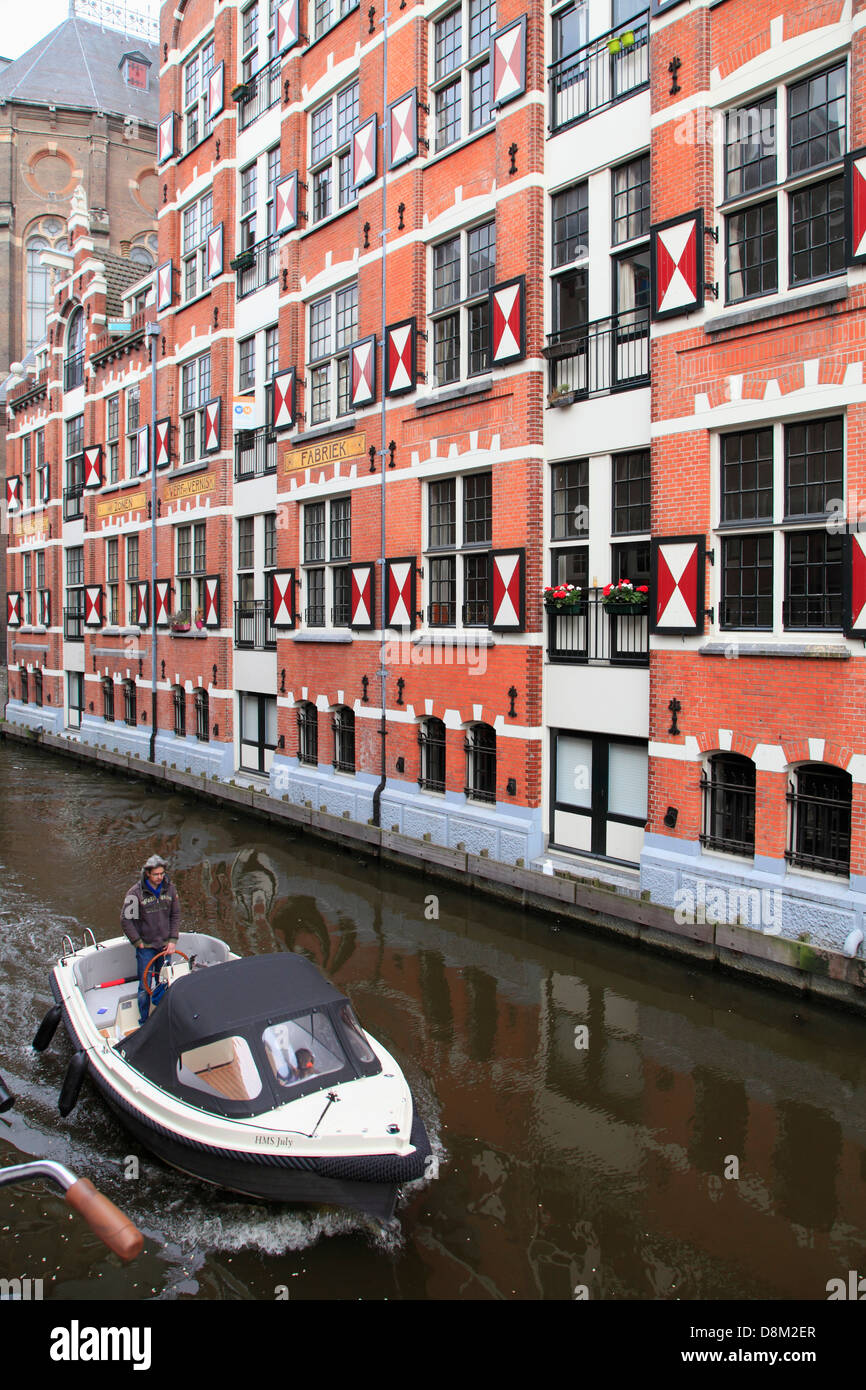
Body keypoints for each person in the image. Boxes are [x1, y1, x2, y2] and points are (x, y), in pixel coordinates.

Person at [120, 854, 181, 1026]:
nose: (160, 877)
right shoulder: (134, 893)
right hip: (146, 947)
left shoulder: (171, 890)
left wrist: (172, 940)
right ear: (148, 874)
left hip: (165, 947)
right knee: (144, 987)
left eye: (162, 874)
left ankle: (163, 1019)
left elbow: (175, 915)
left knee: (165, 984)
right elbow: (126, 920)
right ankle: (144, 1020)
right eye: (156, 874)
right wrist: (138, 942)